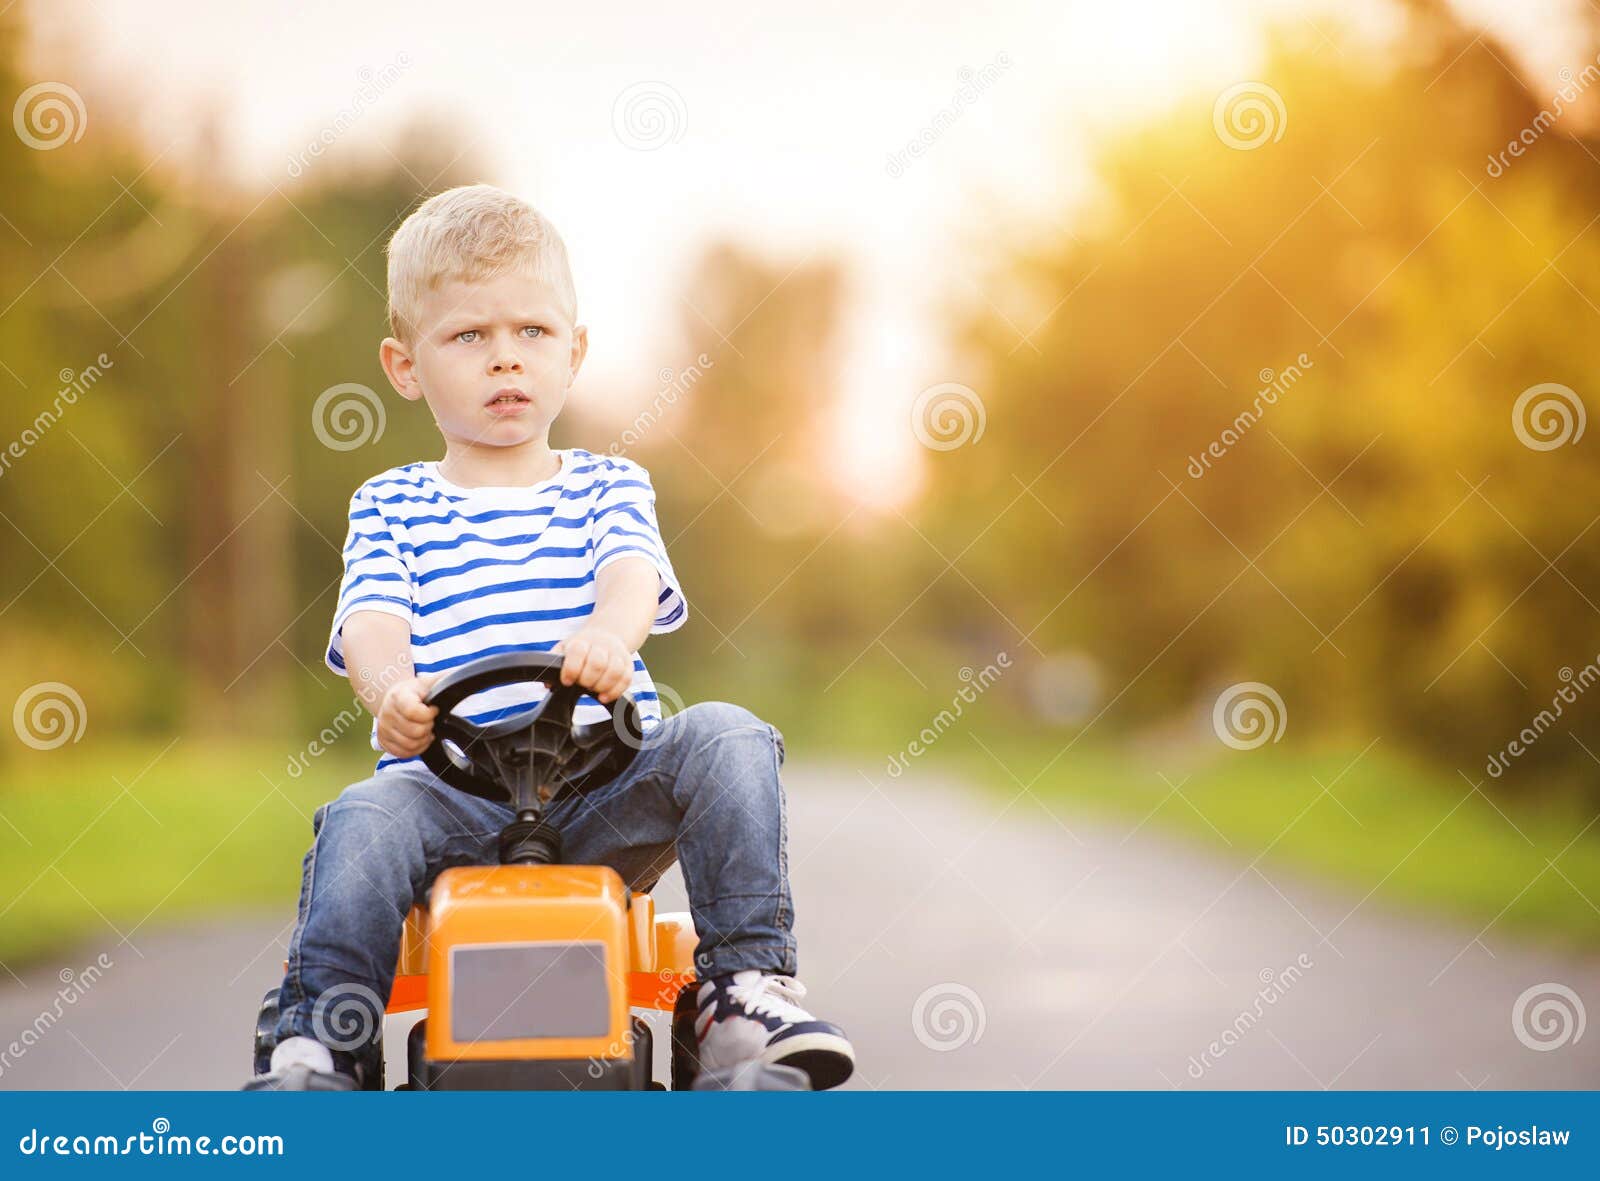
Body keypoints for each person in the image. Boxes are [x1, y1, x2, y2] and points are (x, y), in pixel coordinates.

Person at [245, 184, 853, 1091]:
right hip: (449, 806)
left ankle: (742, 990)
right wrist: (390, 693)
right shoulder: (392, 502)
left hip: (601, 792)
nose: (505, 362)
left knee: (727, 733)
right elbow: (371, 619)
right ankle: (324, 1031)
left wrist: (612, 634)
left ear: (574, 352)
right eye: (468, 337)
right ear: (405, 365)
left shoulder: (609, 484)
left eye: (531, 334)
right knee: (360, 816)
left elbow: (630, 575)